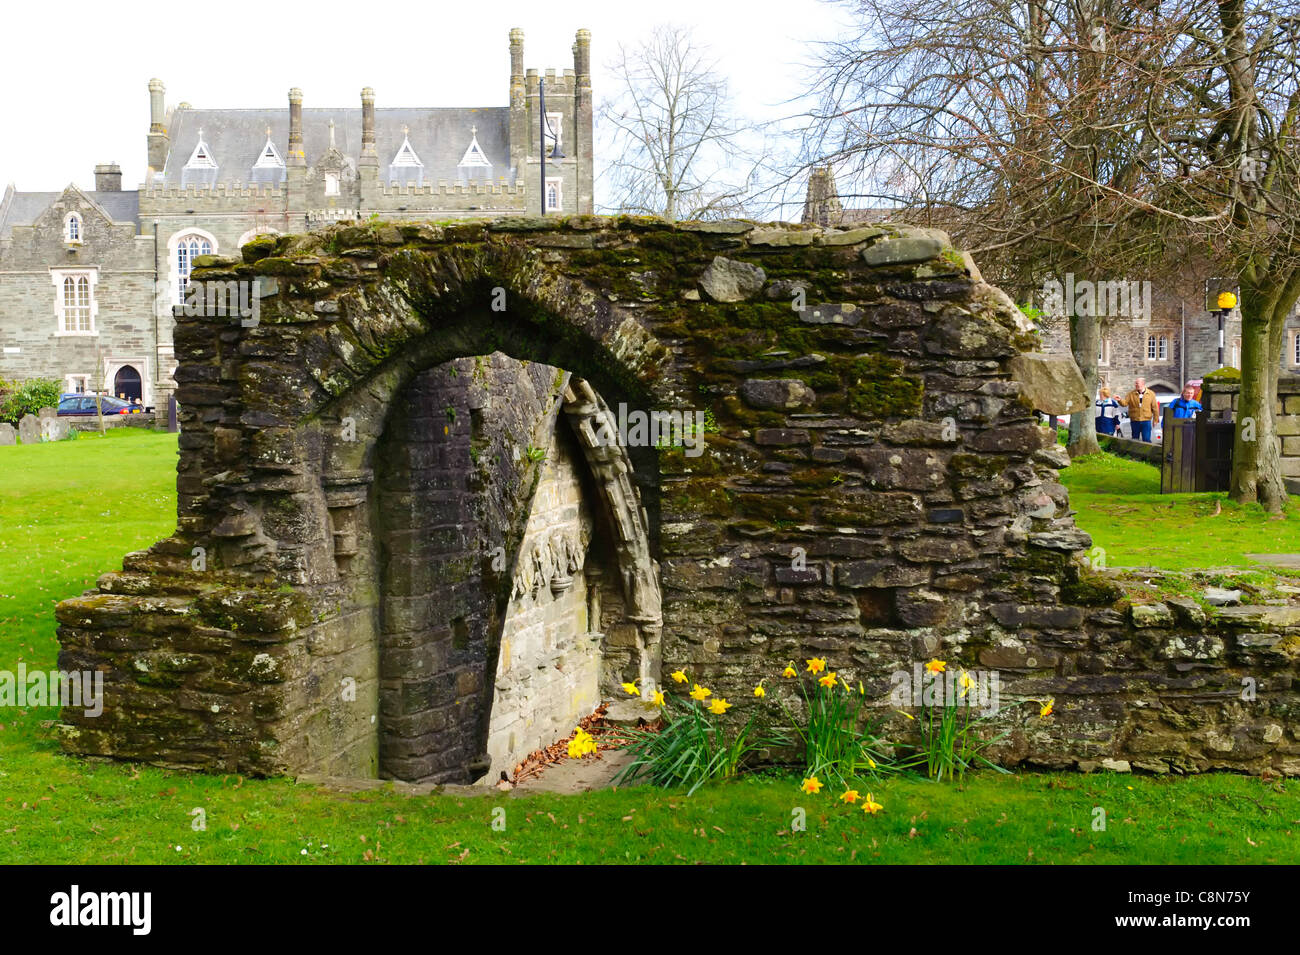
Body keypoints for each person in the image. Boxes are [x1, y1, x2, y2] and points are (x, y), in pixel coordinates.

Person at [1123, 377, 1160, 442]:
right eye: (1135, 383)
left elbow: (1155, 408)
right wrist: (1119, 400)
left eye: (1137, 383)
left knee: (1146, 439)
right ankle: (1135, 452)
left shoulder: (1151, 394)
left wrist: (1155, 420)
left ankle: (1147, 452)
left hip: (1146, 420)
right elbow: (1124, 403)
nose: (1136, 385)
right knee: (1135, 439)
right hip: (1135, 420)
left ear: (1143, 383)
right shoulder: (1131, 394)